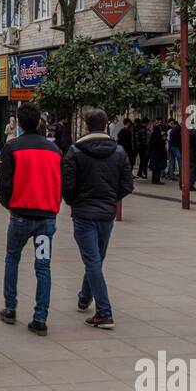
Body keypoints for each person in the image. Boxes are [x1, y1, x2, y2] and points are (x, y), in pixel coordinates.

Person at [61, 107, 133, 329]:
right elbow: (127, 185)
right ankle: (85, 296)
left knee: (93, 261)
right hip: (106, 214)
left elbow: (68, 187)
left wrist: (75, 202)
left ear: (86, 125)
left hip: (83, 213)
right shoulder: (119, 152)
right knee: (96, 260)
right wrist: (111, 199)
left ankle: (104, 312)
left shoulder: (75, 151)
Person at [0, 103, 62, 337]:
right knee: (43, 266)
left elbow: (3, 184)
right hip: (46, 217)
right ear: (38, 122)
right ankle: (40, 318)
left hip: (20, 216)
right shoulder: (54, 150)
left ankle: (11, 308)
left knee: (12, 259)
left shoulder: (12, 147)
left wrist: (9, 204)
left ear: (19, 123)